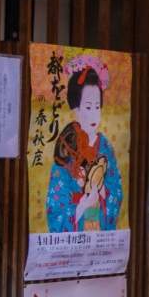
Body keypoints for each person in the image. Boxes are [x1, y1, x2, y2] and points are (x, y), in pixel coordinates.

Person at [46, 67, 123, 232]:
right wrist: (82, 205)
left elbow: (116, 189)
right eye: (88, 107)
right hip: (76, 226)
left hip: (100, 226)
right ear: (76, 109)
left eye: (97, 106)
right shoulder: (66, 145)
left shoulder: (106, 148)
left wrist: (101, 190)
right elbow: (56, 202)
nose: (94, 113)